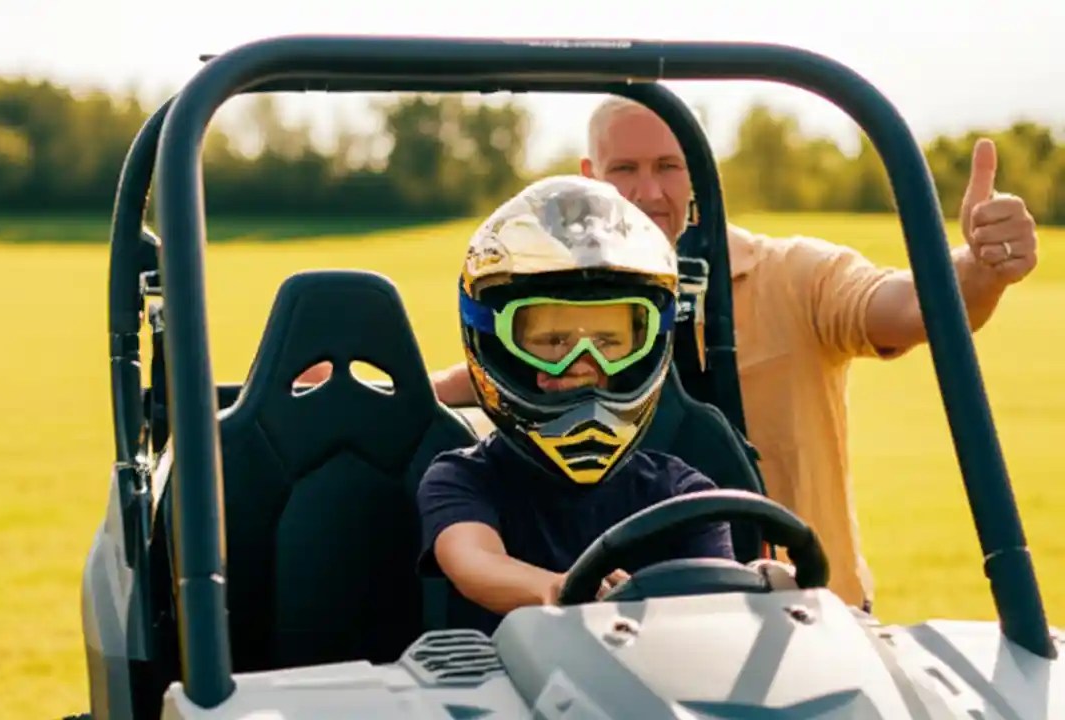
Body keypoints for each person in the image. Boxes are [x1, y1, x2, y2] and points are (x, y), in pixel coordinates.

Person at [415, 96, 1043, 612]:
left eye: (668, 166)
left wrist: (978, 270)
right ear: (591, 176)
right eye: (625, 169)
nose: (648, 191)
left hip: (805, 618)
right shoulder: (548, 331)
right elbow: (501, 373)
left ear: (698, 172)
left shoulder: (793, 277)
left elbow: (908, 307)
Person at [412, 175, 742, 636]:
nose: (584, 364)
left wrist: (762, 589)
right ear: (499, 347)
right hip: (499, 679)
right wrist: (558, 590)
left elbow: (719, 606)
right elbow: (474, 562)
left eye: (608, 342)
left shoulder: (682, 492)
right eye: (553, 341)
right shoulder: (462, 478)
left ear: (646, 345)